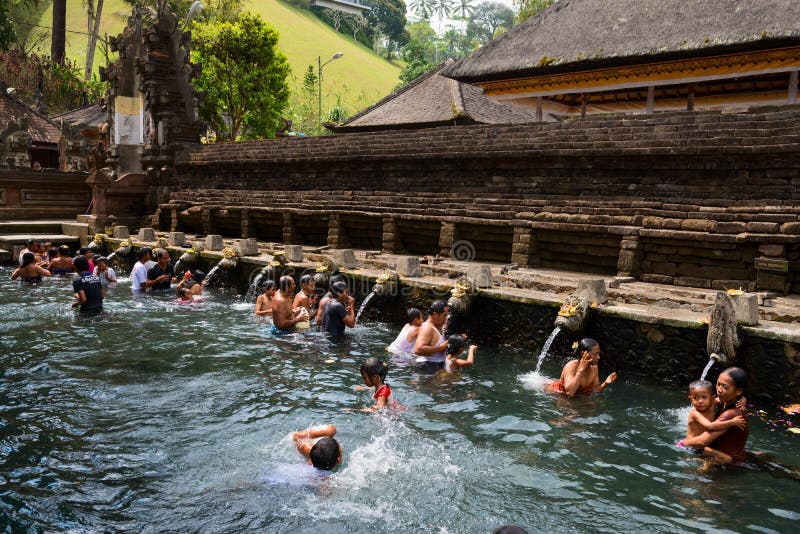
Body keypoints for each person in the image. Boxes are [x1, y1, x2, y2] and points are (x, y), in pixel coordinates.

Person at [680, 367, 750, 464]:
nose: (719, 390)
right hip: (719, 454)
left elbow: (702, 441)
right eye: (718, 384)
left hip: (726, 465)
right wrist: (742, 398)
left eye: (725, 387)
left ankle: (703, 464)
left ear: (738, 391)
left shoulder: (731, 414)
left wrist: (685, 443)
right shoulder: (722, 402)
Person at [547, 338, 617, 397]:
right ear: (583, 354)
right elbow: (569, 393)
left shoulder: (594, 367)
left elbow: (595, 390)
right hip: (558, 395)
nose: (599, 357)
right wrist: (581, 370)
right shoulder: (571, 366)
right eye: (595, 354)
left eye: (598, 353)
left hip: (578, 397)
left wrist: (606, 383)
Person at [413, 300, 449, 365]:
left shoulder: (437, 326)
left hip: (436, 365)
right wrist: (439, 348)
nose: (446, 318)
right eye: (444, 315)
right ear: (435, 314)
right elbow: (418, 349)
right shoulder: (427, 327)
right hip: (428, 366)